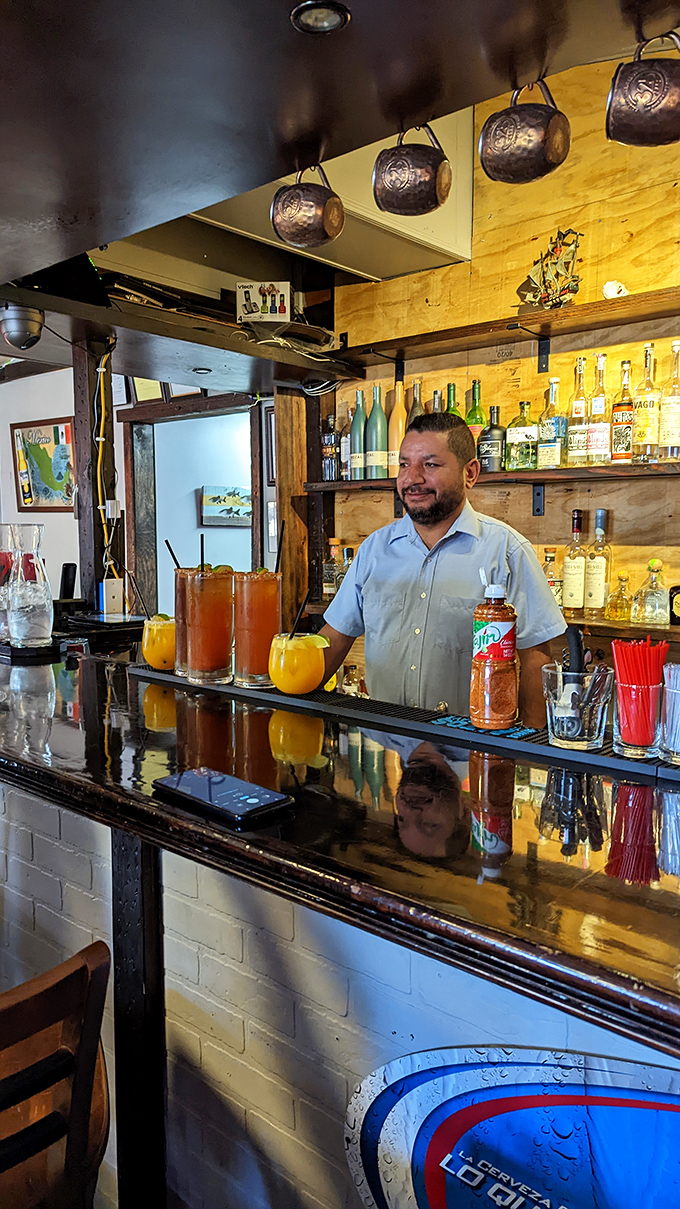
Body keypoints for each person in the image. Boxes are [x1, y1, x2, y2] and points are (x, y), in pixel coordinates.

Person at [320, 412, 565, 726]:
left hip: (468, 757)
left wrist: (529, 750)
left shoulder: (507, 551)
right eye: (405, 464)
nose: (412, 478)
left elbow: (536, 659)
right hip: (386, 751)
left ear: (470, 473)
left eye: (430, 464)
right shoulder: (374, 550)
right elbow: (333, 638)